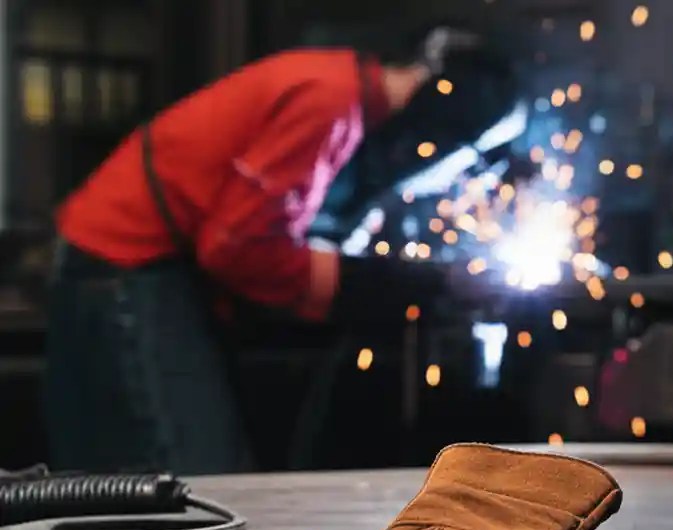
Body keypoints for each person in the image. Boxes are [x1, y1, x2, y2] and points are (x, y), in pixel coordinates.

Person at [44, 25, 517, 475]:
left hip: (127, 261)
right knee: (201, 480)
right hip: (126, 262)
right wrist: (402, 281)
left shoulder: (337, 85)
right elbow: (237, 249)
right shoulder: (329, 102)